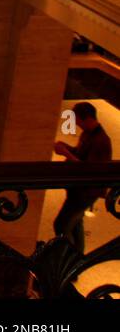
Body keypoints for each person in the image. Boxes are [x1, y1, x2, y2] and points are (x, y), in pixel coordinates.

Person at [52, 102, 113, 255]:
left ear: (87, 119)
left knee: (62, 225)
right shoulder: (89, 133)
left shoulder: (101, 141)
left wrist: (66, 153)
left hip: (86, 192)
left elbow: (89, 169)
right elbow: (81, 154)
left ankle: (67, 261)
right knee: (75, 225)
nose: (76, 124)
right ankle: (76, 262)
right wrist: (67, 148)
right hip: (79, 189)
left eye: (77, 120)